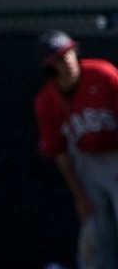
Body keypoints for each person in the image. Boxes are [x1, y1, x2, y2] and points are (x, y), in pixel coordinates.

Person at [33, 30, 118, 269]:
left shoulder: (103, 73)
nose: (67, 60)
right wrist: (79, 196)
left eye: (69, 53)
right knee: (95, 231)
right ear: (49, 67)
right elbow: (60, 153)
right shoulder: (46, 101)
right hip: (86, 162)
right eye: (59, 58)